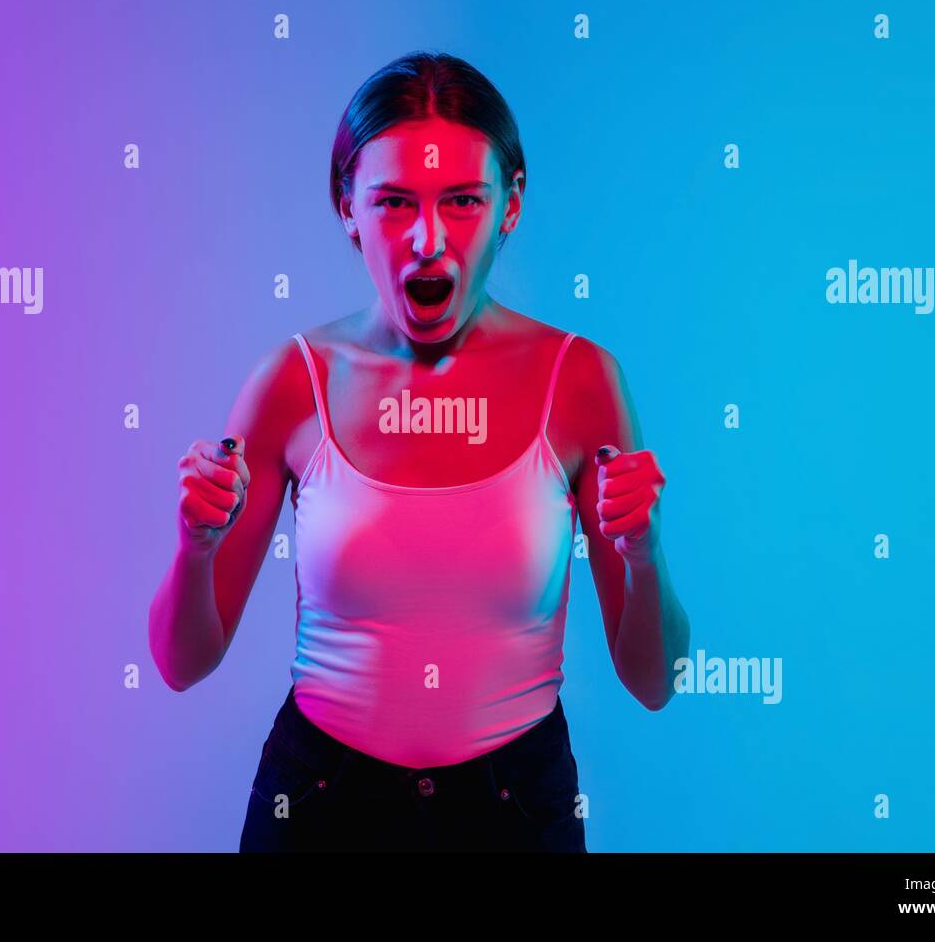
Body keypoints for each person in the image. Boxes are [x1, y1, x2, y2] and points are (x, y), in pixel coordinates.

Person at [147, 51, 690, 853]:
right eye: (395, 202)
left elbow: (656, 684)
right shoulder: (291, 382)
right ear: (347, 209)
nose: (428, 241)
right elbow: (181, 663)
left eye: (463, 200)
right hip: (320, 802)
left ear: (511, 204)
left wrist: (643, 554)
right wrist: (195, 549)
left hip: (516, 809)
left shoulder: (581, 382)